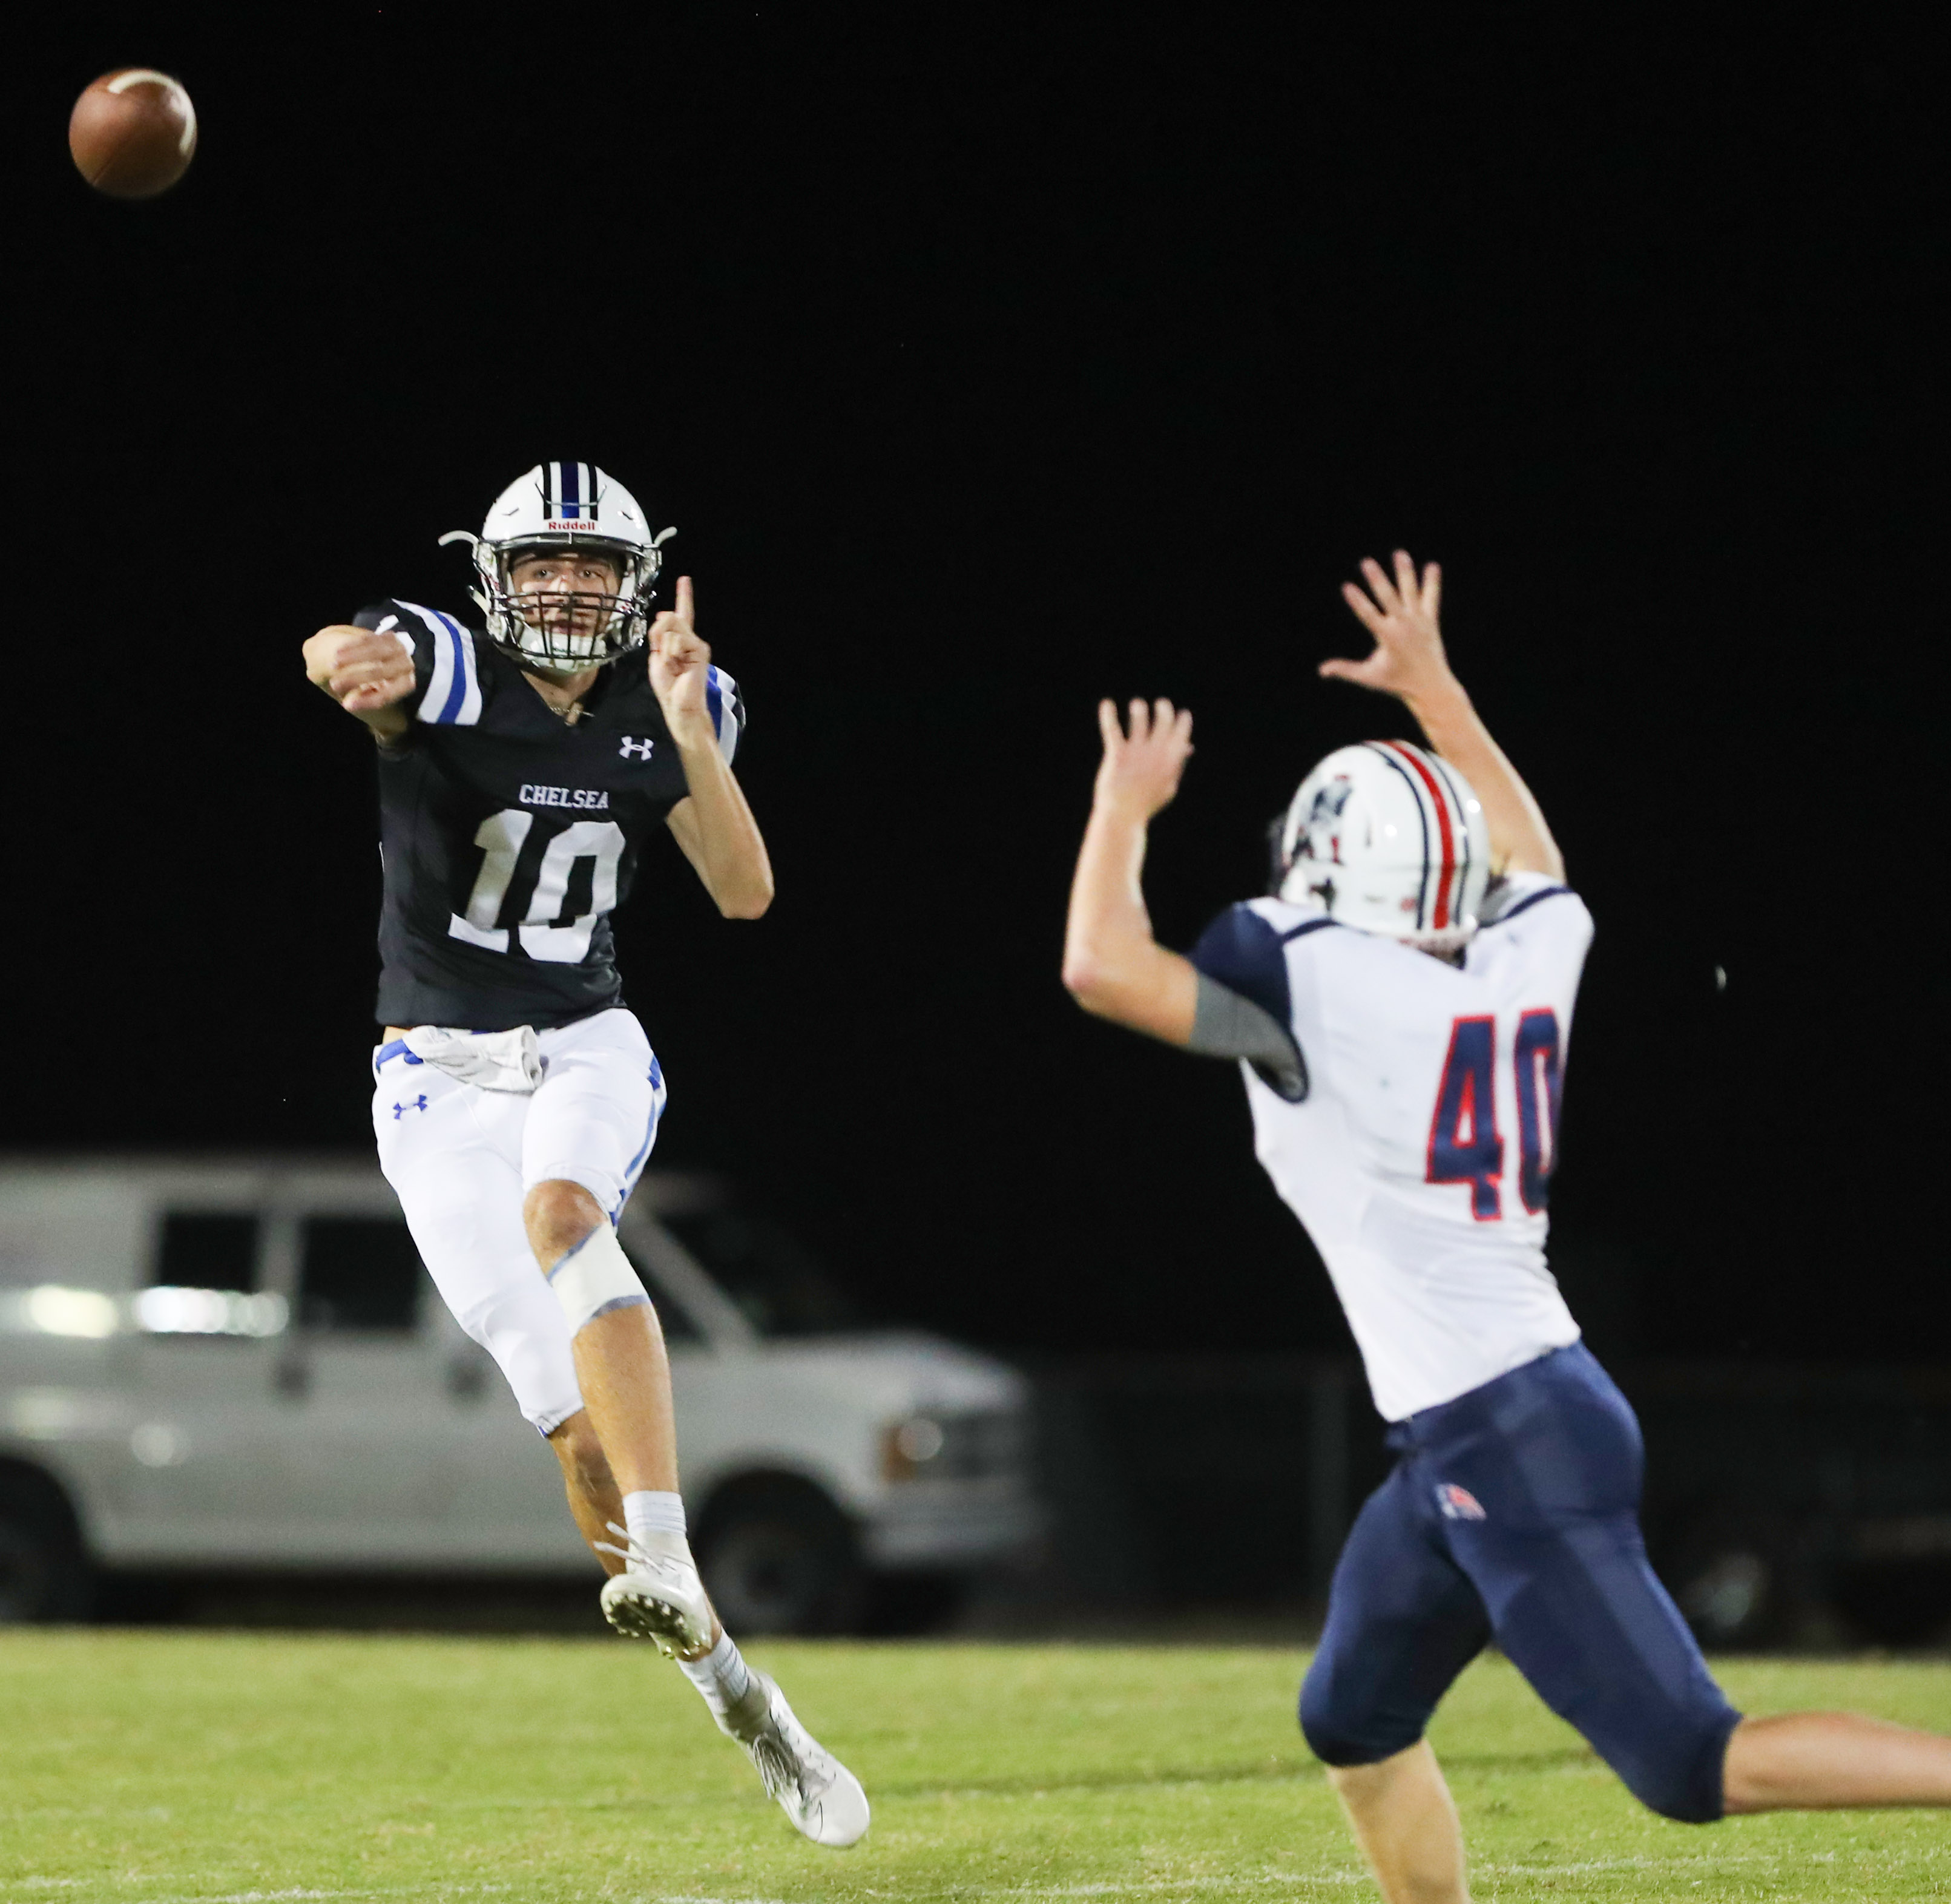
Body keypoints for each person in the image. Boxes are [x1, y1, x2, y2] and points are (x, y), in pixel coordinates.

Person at [1059, 550, 1951, 1903]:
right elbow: (1533, 858)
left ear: (1328, 865)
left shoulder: (1316, 977)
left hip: (1504, 1432)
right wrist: (1440, 694)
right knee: (1349, 1720)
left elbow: (1099, 968)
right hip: (1486, 1421)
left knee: (1690, 1763)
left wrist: (1122, 810)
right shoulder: (1518, 962)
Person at [300, 461, 868, 1850]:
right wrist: (342, 665)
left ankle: (669, 1551)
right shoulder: (441, 662)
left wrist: (690, 731)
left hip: (583, 1041)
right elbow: (344, 644)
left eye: (594, 566)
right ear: (492, 577)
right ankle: (742, 1700)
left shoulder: (674, 699)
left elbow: (744, 894)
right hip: (431, 1076)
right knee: (570, 1429)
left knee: (567, 1208)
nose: (566, 587)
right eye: (541, 564)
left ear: (639, 579)